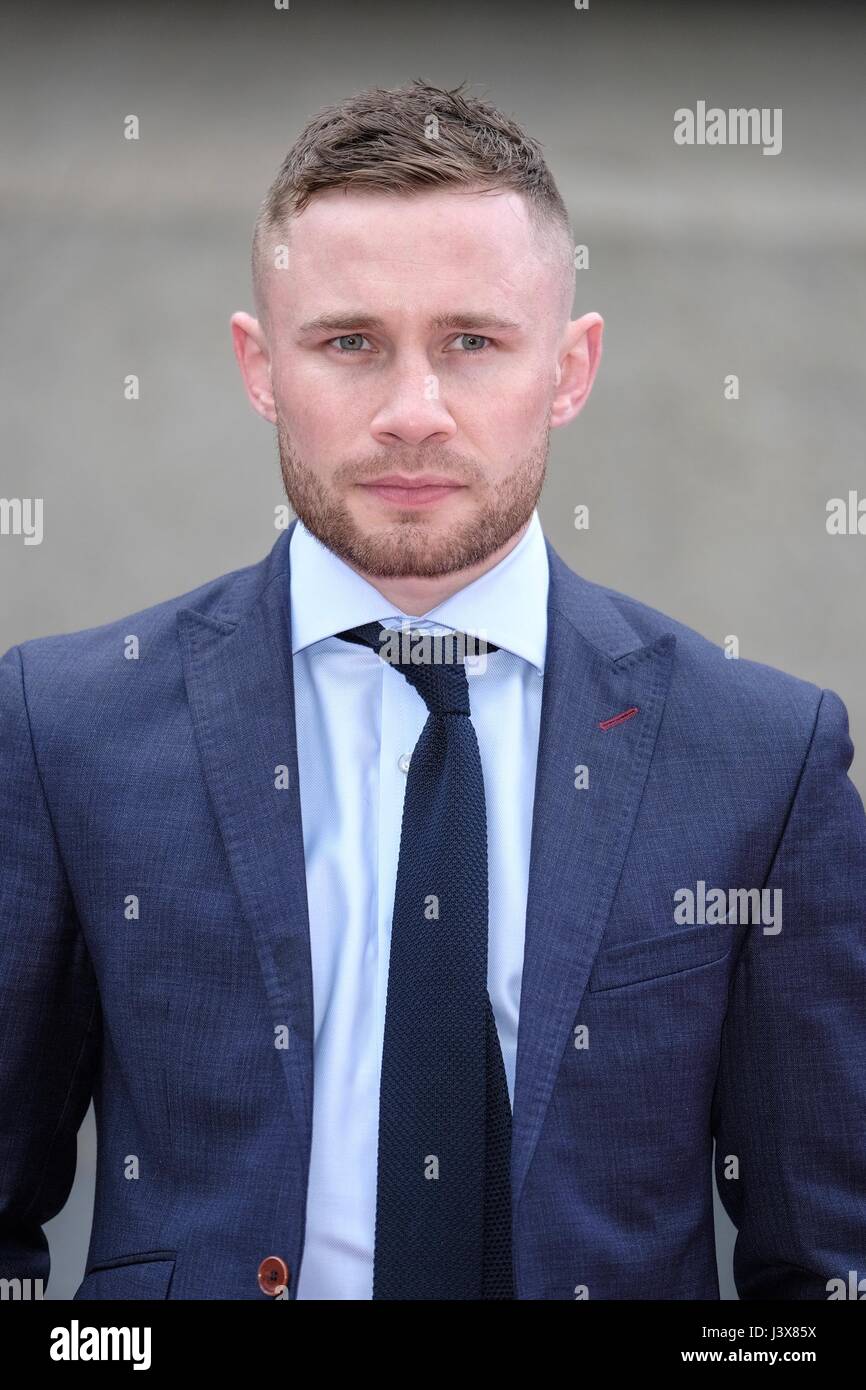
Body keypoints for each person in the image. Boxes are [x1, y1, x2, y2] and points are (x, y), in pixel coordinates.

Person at [1, 78, 864, 1302]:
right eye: (348, 342)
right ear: (259, 365)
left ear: (570, 368)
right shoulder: (63, 727)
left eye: (472, 341)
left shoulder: (762, 757)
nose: (412, 414)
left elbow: (829, 1266)